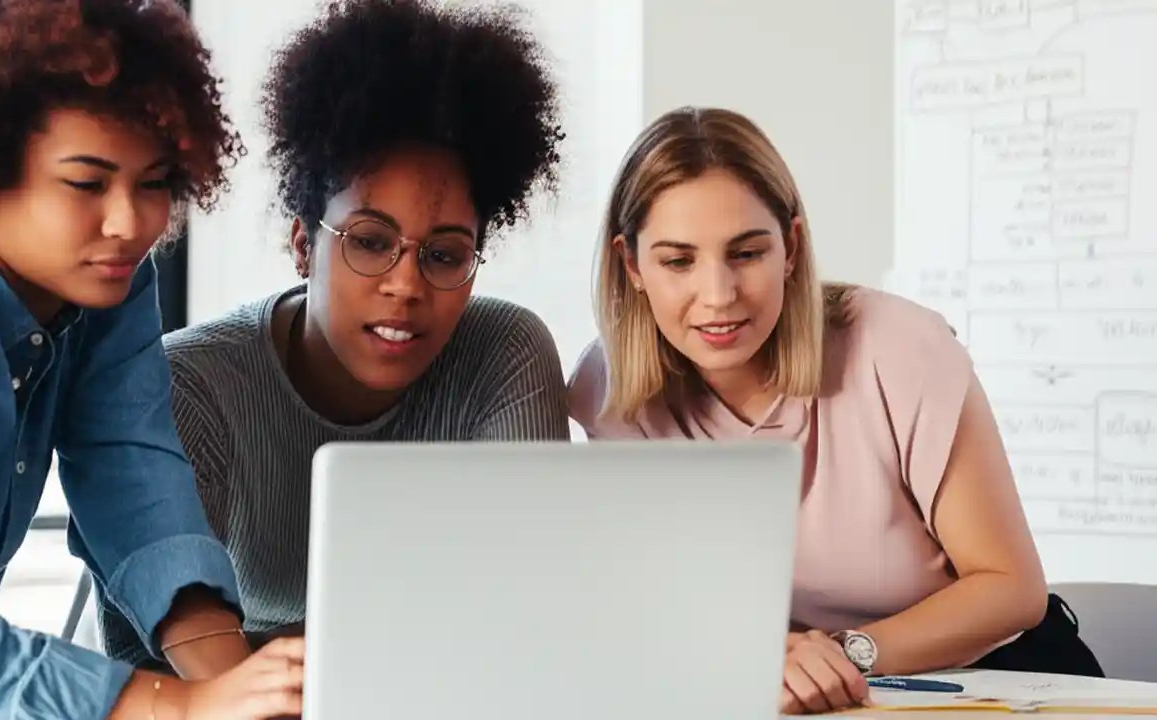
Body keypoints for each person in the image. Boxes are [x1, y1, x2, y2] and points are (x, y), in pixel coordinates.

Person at [569, 107, 1101, 715]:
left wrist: (843, 653)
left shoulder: (900, 350)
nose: (718, 296)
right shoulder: (608, 391)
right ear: (631, 264)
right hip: (793, 693)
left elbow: (1011, 590)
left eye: (746, 253)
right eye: (678, 261)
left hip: (1001, 680)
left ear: (790, 248)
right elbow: (658, 598)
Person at [99, 0, 568, 669]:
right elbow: (141, 664)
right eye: (371, 242)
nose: (406, 285)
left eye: (443, 255)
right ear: (302, 244)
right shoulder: (193, 384)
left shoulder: (505, 354)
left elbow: (532, 610)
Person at [0, 1, 304, 718]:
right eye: (86, 183)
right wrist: (187, 709)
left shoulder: (105, 282)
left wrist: (246, 692)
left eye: (155, 181)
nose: (130, 223)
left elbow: (128, 466)